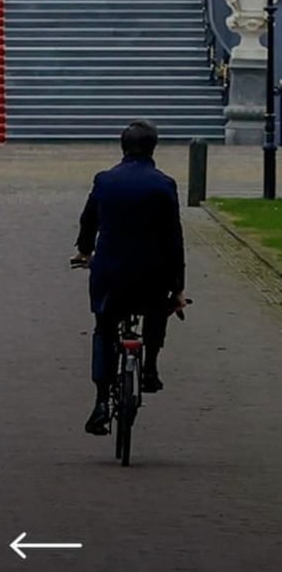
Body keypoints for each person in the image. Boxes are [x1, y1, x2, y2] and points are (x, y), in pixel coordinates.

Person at [73, 118, 188, 436]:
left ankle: (99, 403)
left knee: (104, 329)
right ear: (153, 147)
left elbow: (89, 221)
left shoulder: (105, 180)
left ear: (122, 147)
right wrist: (178, 288)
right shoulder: (164, 184)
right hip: (152, 274)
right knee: (157, 306)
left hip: (110, 272)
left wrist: (84, 252)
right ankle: (150, 367)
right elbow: (173, 238)